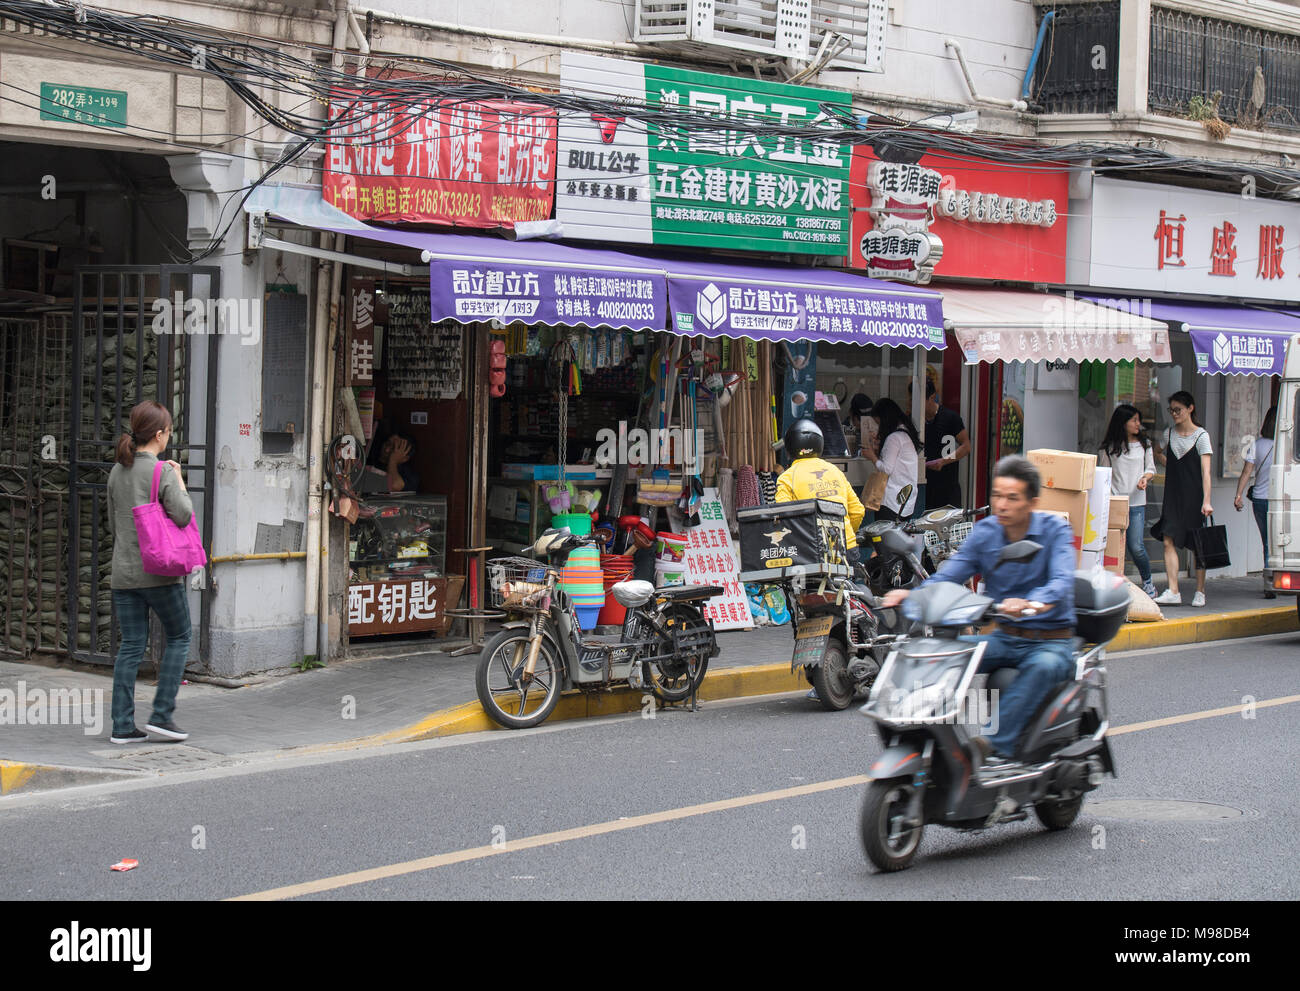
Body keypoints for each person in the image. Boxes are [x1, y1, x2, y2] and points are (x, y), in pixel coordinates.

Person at [882, 456, 1076, 763]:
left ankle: (992, 746)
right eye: (997, 495)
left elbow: (1062, 580)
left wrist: (1031, 602)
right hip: (1005, 638)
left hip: (1051, 641)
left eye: (1012, 498)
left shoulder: (1054, 531)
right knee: (940, 652)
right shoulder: (986, 532)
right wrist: (911, 596)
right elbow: (950, 574)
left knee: (1042, 667)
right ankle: (928, 735)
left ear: (1032, 502)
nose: (1002, 504)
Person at [105, 401, 194, 745]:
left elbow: (115, 524)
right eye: (168, 432)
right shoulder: (163, 471)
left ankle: (122, 726)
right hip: (158, 574)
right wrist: (180, 480)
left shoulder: (116, 471)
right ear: (159, 435)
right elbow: (184, 515)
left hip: (123, 574)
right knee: (180, 636)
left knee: (130, 647)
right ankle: (161, 715)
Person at [776, 419, 865, 703]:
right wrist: (845, 533)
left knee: (808, 614)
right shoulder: (835, 473)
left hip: (807, 558)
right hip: (844, 550)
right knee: (854, 605)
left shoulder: (787, 478)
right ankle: (861, 655)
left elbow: (782, 519)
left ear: (790, 448)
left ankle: (818, 675)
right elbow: (858, 509)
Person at [1151, 391, 1214, 607]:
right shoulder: (1169, 434)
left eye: (1178, 410)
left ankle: (1200, 590)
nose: (1174, 414)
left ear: (1190, 409)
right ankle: (1173, 590)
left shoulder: (1201, 436)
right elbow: (1157, 451)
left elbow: (1206, 472)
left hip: (1194, 497)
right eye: (1172, 410)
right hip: (1173, 495)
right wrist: (1164, 459)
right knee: (1168, 539)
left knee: (1197, 545)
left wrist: (1207, 501)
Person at [1098, 403, 1157, 598]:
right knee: (1115, 548)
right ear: (1123, 423)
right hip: (1114, 503)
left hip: (1137, 503)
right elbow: (1104, 476)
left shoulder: (1144, 444)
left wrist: (1145, 479)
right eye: (1134, 420)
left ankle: (1148, 583)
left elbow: (1151, 468)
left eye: (1138, 420)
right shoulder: (1108, 448)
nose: (1138, 424)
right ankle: (1115, 586)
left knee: (1136, 546)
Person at [1234, 406, 1277, 599]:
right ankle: (1277, 580)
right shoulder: (1289, 445)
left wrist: (1238, 495)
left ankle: (1270, 584)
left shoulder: (1257, 445)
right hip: (1279, 500)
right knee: (1279, 544)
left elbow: (1246, 472)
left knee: (1267, 543)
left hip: (1260, 500)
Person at [910, 379, 969, 509]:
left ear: (932, 398)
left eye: (919, 402)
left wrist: (943, 461)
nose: (914, 405)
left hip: (947, 487)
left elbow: (966, 446)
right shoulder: (912, 421)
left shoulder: (950, 418)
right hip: (921, 487)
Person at [864, 398, 921, 522]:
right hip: (905, 501)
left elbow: (886, 469)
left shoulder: (894, 438)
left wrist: (872, 456)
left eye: (878, 423)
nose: (878, 427)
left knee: (884, 539)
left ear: (885, 419)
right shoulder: (905, 434)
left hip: (891, 501)